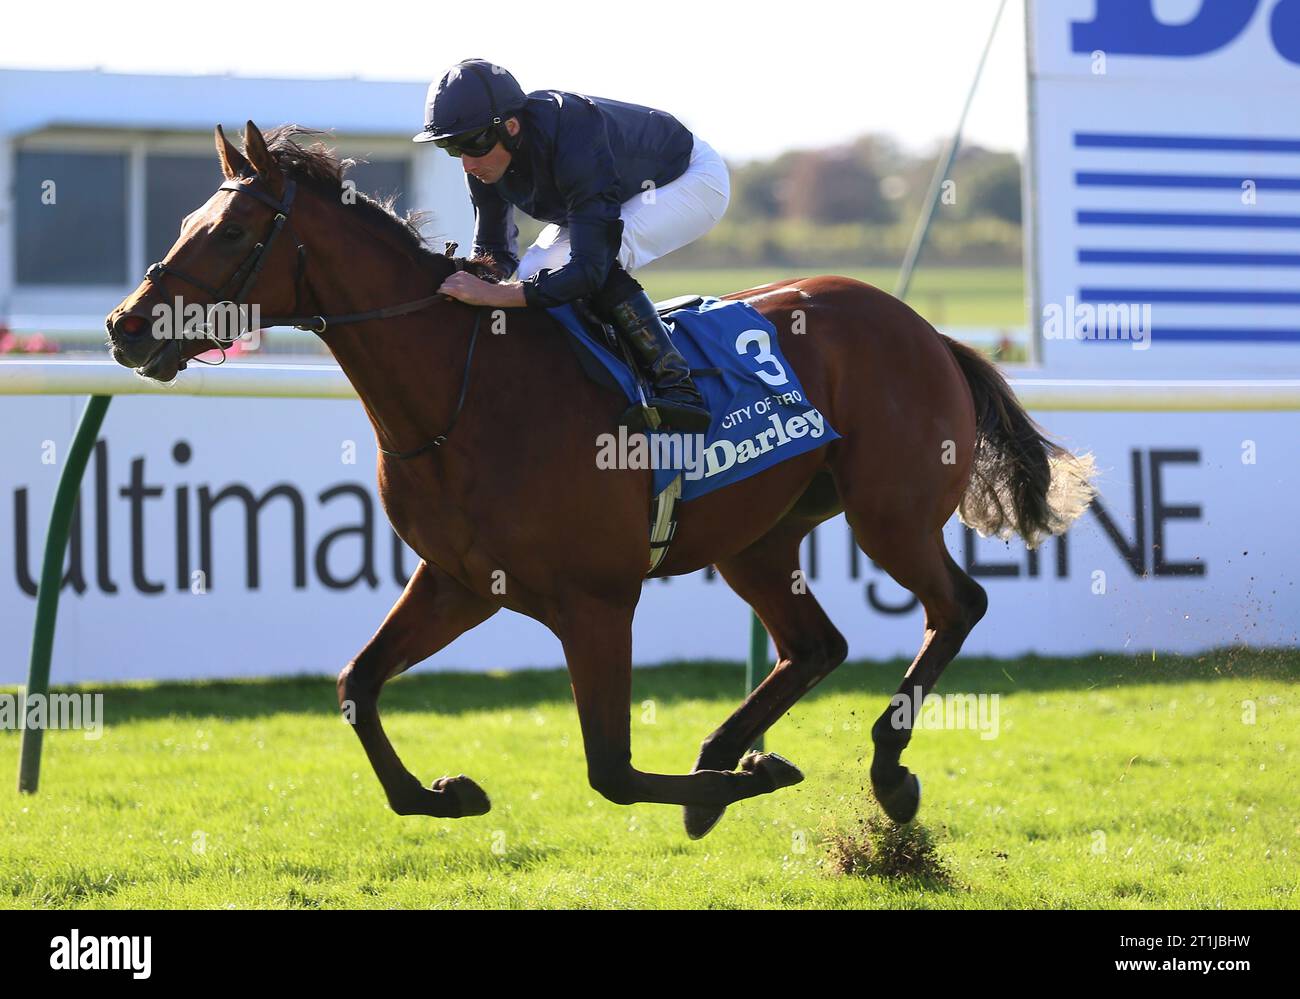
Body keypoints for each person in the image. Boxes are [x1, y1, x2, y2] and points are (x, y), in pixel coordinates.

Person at [415, 58, 730, 433]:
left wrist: (495, 296)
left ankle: (679, 388)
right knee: (533, 273)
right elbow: (497, 253)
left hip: (689, 180)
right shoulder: (485, 158)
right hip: (617, 194)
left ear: (511, 127)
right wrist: (469, 282)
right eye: (452, 149)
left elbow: (589, 268)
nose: (466, 163)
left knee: (569, 267)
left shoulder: (575, 135)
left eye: (470, 144)